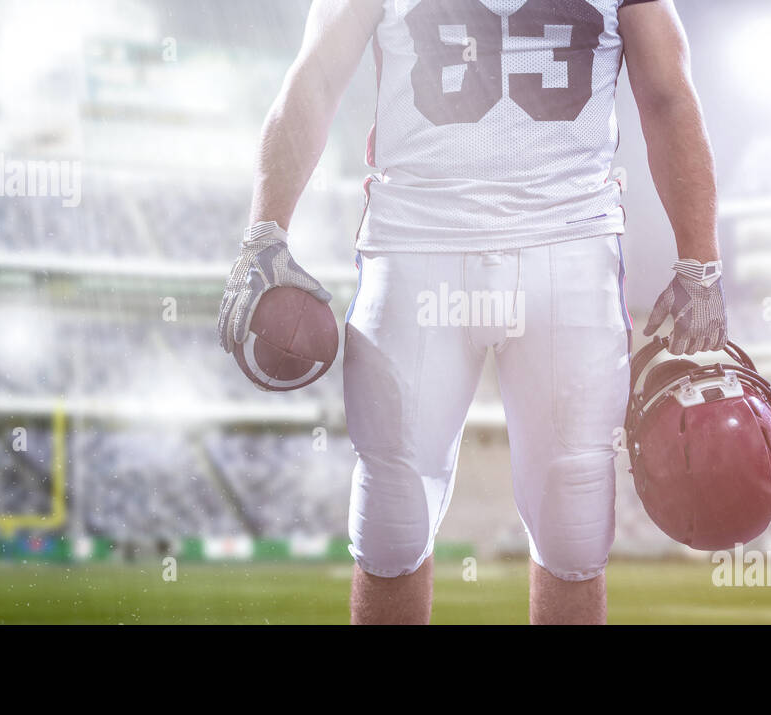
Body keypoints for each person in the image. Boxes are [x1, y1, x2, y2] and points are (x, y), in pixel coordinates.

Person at [217, 0, 727, 625]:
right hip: (416, 244)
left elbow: (669, 92)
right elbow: (317, 73)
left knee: (574, 531)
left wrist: (700, 258)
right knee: (392, 526)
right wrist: (264, 231)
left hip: (565, 245)